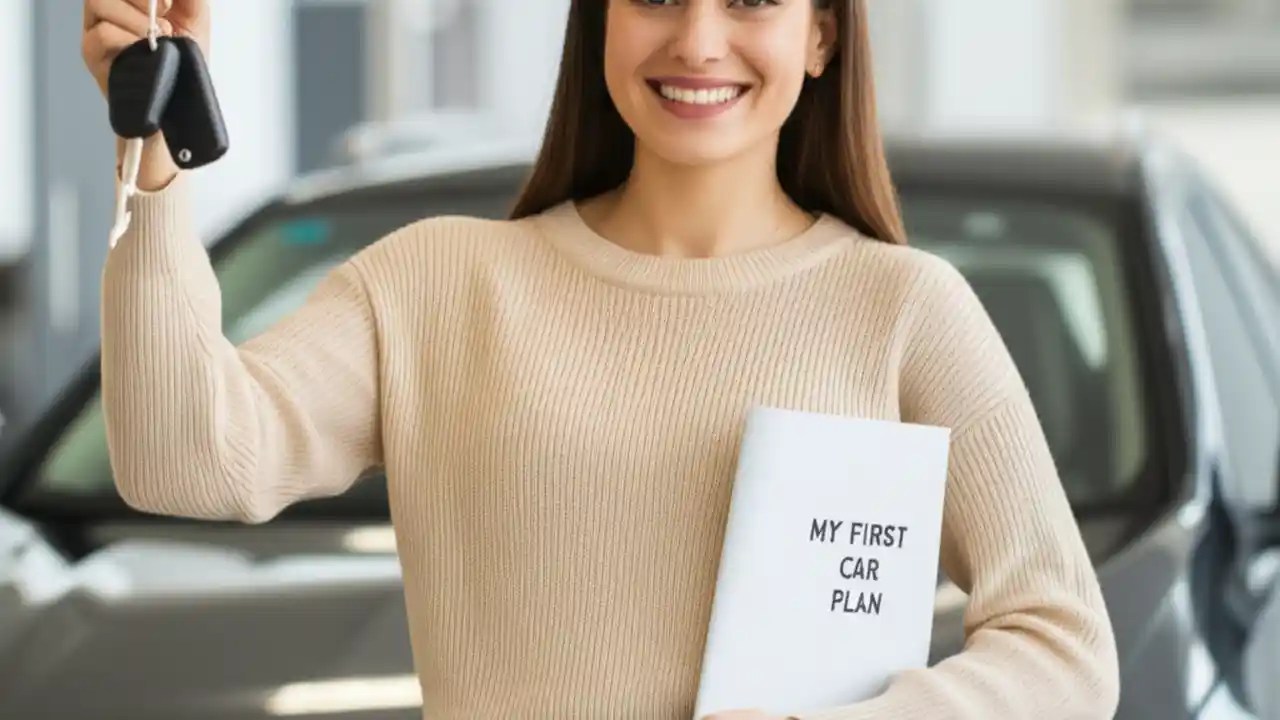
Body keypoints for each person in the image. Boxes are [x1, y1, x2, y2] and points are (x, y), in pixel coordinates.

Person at [81, 0, 1120, 718]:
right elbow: (184, 460)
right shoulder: (438, 285)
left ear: (819, 35)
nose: (697, 40)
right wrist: (153, 167)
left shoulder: (901, 308)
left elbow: (1063, 647)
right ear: (600, 24)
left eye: (750, 1)